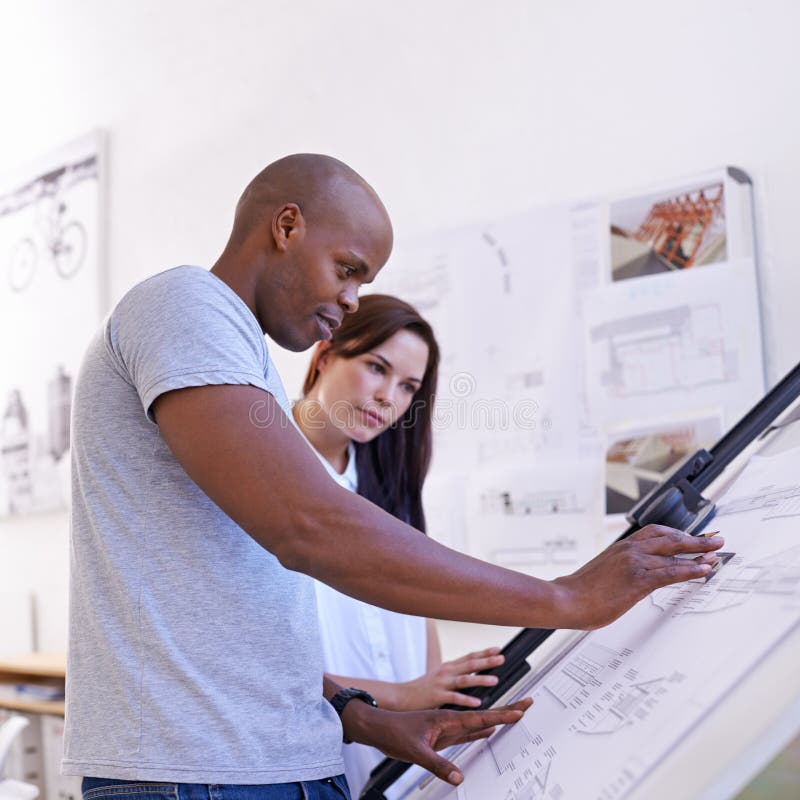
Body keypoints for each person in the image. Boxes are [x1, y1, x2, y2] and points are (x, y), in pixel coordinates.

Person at [64, 153, 723, 800]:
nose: (351, 300)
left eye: (407, 385)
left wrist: (364, 717)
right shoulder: (186, 306)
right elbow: (310, 528)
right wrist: (568, 600)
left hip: (271, 764)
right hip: (202, 774)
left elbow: (234, 619)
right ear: (286, 227)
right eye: (347, 270)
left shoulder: (239, 358)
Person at [293, 293, 506, 795]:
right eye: (376, 367)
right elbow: (263, 661)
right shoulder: (272, 478)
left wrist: (437, 692)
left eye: (408, 386)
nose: (389, 396)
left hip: (400, 774)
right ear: (324, 356)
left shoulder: (386, 485)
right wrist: (404, 697)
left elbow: (415, 607)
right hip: (313, 768)